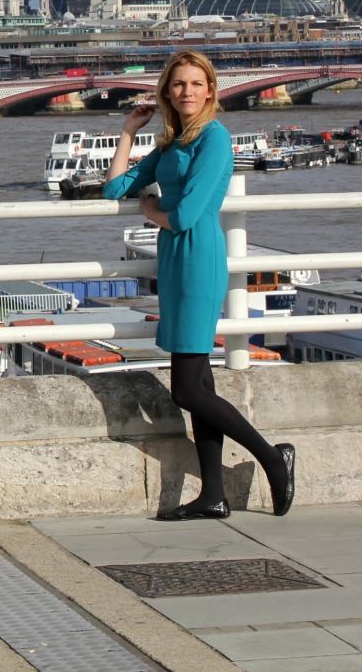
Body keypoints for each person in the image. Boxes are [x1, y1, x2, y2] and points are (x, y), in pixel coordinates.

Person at [102, 49, 295, 521]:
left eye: (194, 83)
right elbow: (112, 187)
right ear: (167, 92)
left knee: (187, 390)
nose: (186, 92)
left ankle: (273, 458)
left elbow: (187, 215)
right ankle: (213, 495)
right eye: (177, 84)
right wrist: (130, 130)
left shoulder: (215, 139)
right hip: (172, 261)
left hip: (199, 259)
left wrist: (150, 212)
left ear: (211, 89)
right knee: (200, 382)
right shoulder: (171, 144)